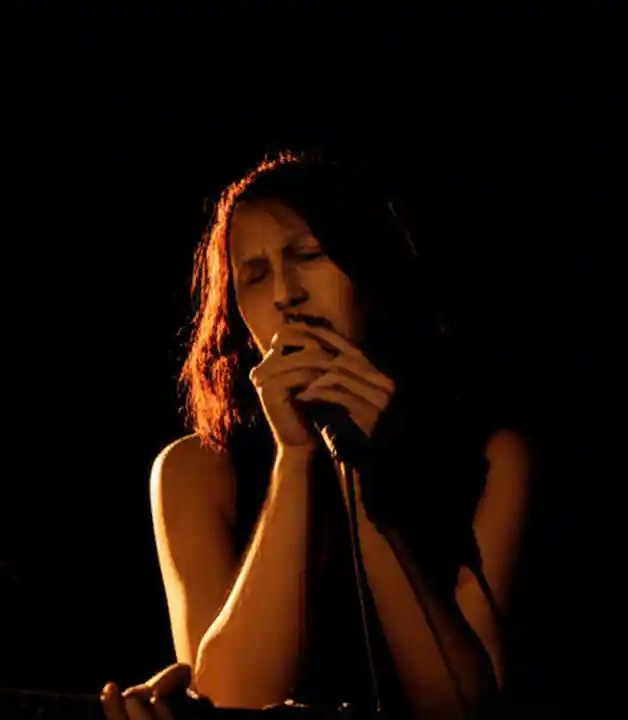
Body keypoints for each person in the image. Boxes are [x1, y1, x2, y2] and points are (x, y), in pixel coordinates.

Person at [101, 152, 531, 720]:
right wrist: (296, 456)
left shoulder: (489, 456)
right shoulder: (194, 472)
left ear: (371, 278)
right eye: (254, 276)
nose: (285, 294)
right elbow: (230, 703)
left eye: (308, 256)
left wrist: (361, 471)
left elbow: (460, 707)